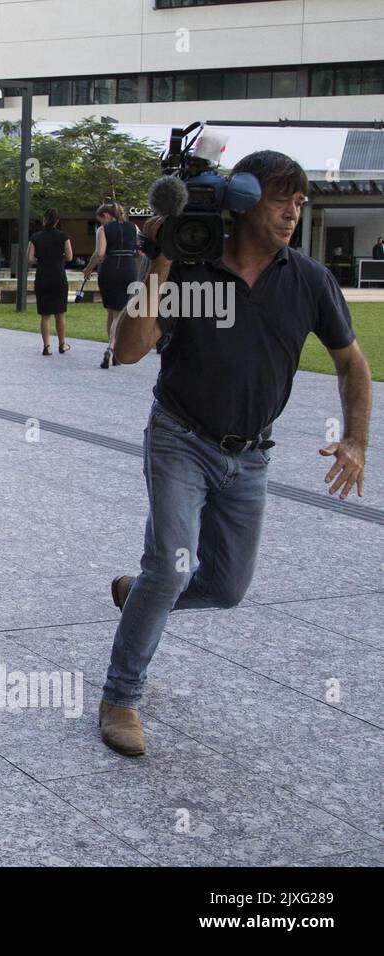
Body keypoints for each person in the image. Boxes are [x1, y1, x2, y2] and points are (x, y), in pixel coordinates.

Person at [99, 150, 371, 758]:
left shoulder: (307, 279)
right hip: (180, 439)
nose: (293, 214)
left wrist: (356, 439)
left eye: (300, 203)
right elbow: (128, 350)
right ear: (244, 201)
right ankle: (120, 696)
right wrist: (162, 256)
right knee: (170, 567)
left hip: (251, 456)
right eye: (282, 200)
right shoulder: (192, 273)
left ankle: (139, 591)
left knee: (225, 587)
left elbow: (352, 362)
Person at [82, 202, 139, 369]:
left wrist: (88, 268)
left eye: (101, 219)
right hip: (129, 268)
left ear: (106, 216)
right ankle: (114, 351)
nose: (101, 223)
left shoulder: (103, 230)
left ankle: (111, 347)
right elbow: (141, 249)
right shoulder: (133, 227)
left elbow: (100, 253)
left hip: (110, 269)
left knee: (113, 312)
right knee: (117, 311)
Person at [28, 208, 73, 355]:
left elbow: (30, 259)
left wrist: (41, 259)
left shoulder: (35, 237)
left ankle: (46, 346)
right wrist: (57, 258)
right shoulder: (63, 237)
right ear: (57, 221)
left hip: (42, 277)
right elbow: (70, 257)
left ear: (44, 219)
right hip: (58, 276)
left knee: (45, 315)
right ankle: (62, 344)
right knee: (60, 313)